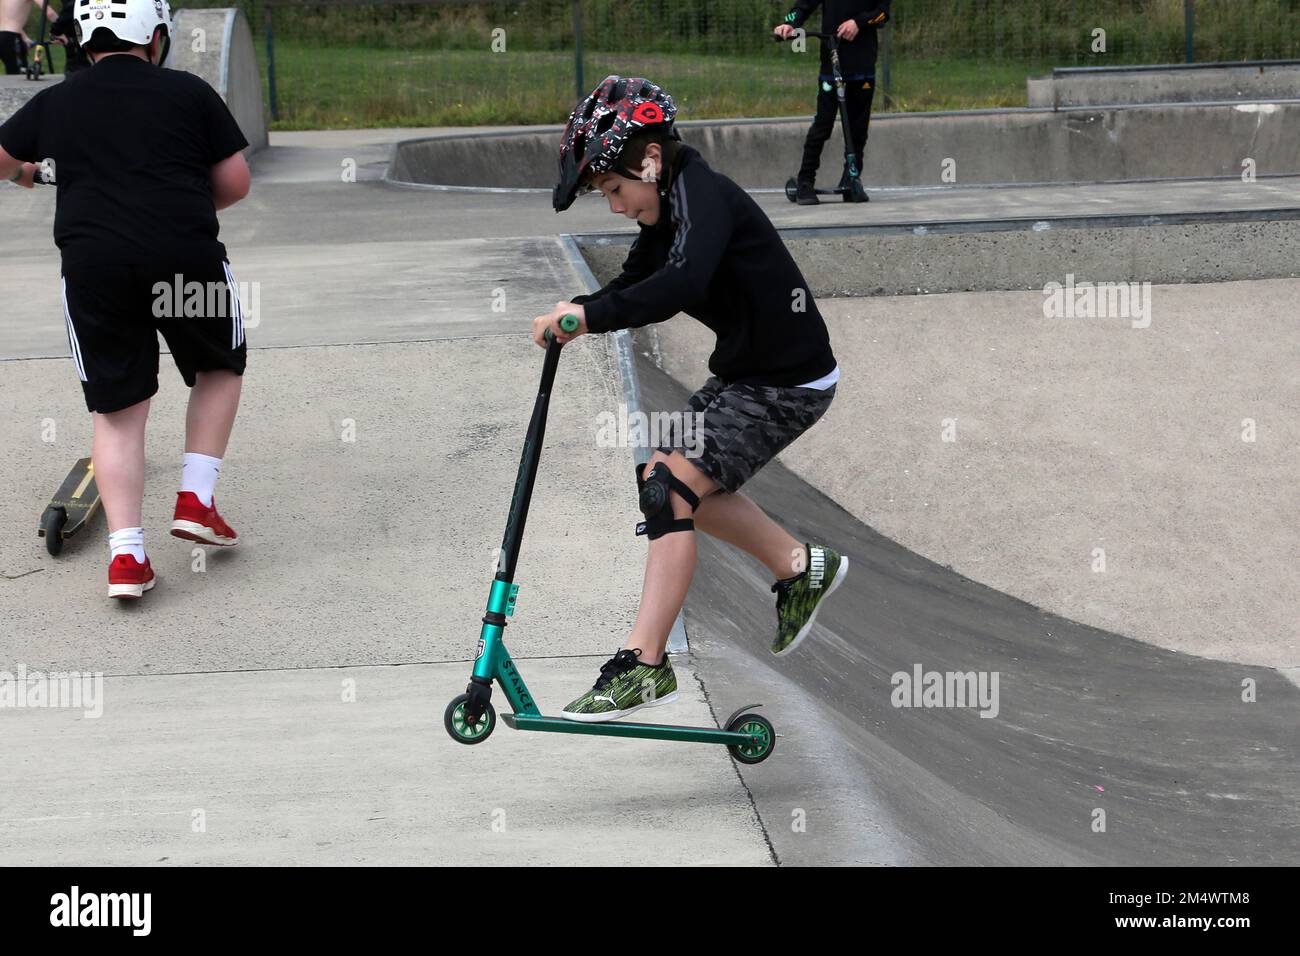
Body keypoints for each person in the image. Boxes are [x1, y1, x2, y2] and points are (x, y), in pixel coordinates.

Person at [540, 76, 849, 722]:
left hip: (786, 382)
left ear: (648, 158)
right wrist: (580, 313)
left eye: (616, 190)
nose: (618, 207)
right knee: (659, 477)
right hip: (749, 376)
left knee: (672, 492)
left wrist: (590, 319)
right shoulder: (667, 206)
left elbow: (681, 282)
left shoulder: (701, 196)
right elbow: (635, 281)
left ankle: (645, 663)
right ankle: (800, 567)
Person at [0, 0, 251, 599]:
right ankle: (196, 495)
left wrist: (29, 176)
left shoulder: (61, 98)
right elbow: (235, 182)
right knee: (218, 365)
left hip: (96, 267)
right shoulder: (187, 92)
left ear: (84, 41)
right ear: (157, 38)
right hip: (183, 257)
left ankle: (127, 559)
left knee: (117, 413)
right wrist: (178, 209)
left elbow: (2, 157)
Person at [774, 1, 890, 204]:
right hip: (832, 62)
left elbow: (882, 14)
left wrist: (858, 23)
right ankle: (805, 181)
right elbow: (803, 6)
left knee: (858, 129)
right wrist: (789, 23)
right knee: (822, 125)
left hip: (862, 66)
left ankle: (851, 179)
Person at [0, 0, 56, 74]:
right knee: (19, 77)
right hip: (11, 38)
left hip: (5, 34)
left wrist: (24, 37)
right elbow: (50, 13)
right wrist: (63, 31)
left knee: (12, 74)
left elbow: (7, 19)